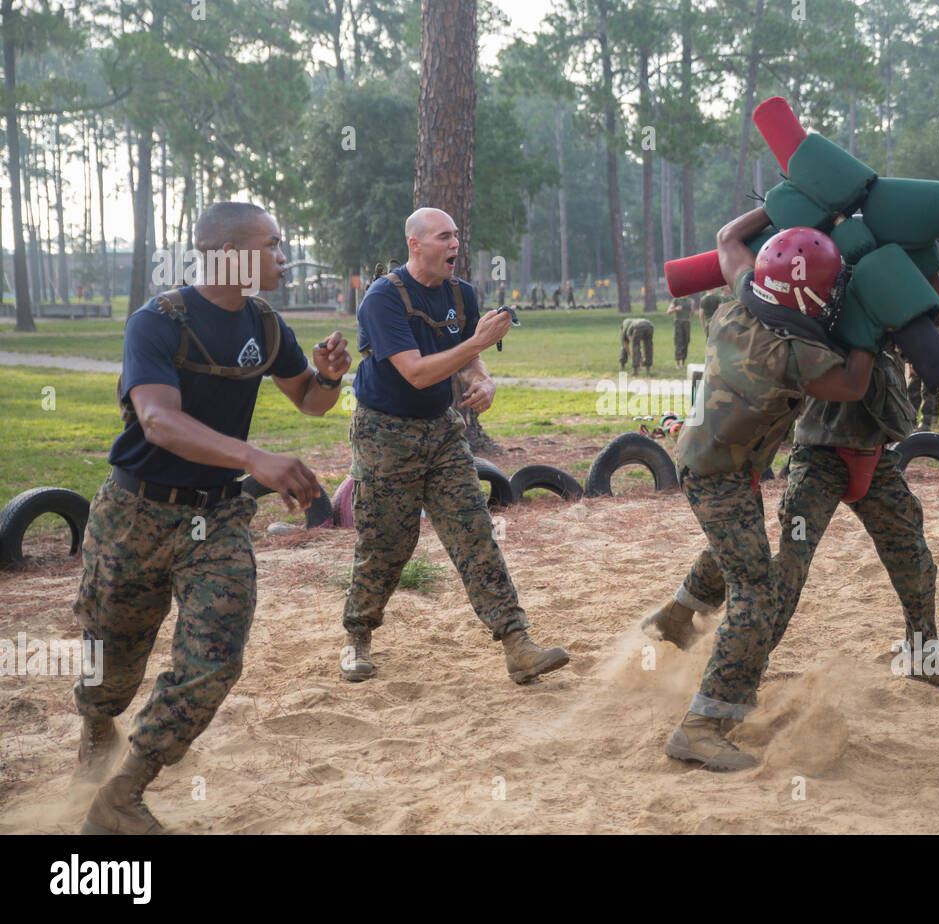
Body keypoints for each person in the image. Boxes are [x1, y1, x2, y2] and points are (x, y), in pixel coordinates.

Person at [75, 202, 349, 834]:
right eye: (274, 245)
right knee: (110, 668)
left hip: (216, 520)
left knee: (214, 659)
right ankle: (97, 724)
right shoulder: (159, 322)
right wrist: (257, 458)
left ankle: (124, 792)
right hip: (134, 516)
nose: (285, 256)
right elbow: (158, 422)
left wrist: (330, 378)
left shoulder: (267, 324)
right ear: (231, 253)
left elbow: (308, 400)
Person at [645, 340, 939, 701]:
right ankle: (745, 672)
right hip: (819, 458)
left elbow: (934, 320)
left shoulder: (888, 305)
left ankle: (922, 653)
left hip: (878, 457)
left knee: (915, 561)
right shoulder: (823, 304)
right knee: (789, 570)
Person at [659, 215, 872, 771]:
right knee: (756, 593)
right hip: (721, 475)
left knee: (733, 547)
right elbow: (853, 384)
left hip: (712, 461)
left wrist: (780, 211)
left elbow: (727, 237)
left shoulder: (737, 300)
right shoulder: (793, 355)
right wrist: (870, 324)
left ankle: (676, 617)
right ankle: (700, 727)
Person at [338, 207, 570, 685]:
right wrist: (476, 344)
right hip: (385, 434)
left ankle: (517, 644)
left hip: (441, 432)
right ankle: (357, 636)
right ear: (415, 245)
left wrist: (484, 383)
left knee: (474, 532)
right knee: (385, 545)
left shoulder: (460, 294)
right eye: (444, 237)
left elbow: (471, 361)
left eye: (457, 237)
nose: (455, 245)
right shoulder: (384, 298)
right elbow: (418, 372)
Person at [667, 295, 694, 367]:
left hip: (687, 323)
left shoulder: (689, 301)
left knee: (686, 342)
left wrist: (692, 305)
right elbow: (668, 312)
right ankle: (678, 363)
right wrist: (675, 309)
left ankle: (683, 362)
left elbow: (692, 314)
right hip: (678, 323)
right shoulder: (676, 300)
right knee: (678, 342)